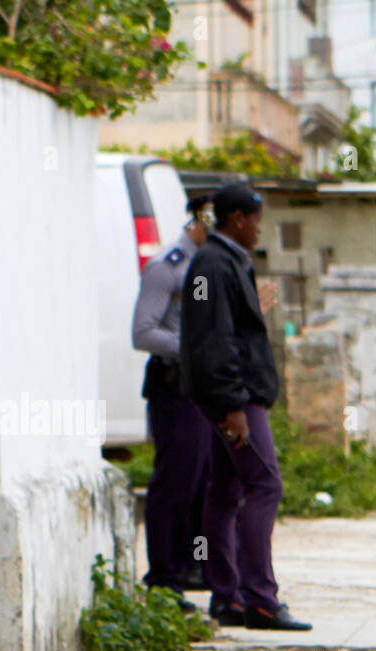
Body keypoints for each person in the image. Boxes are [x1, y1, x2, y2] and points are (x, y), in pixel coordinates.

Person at [179, 183, 309, 632]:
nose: (259, 228)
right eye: (255, 219)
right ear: (237, 219)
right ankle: (259, 598)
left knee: (224, 490)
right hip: (233, 399)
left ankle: (227, 596)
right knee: (265, 484)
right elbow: (214, 340)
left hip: (228, 396)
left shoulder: (222, 262)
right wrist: (233, 403)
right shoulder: (213, 265)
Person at [132, 196, 213, 610]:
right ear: (202, 218)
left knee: (203, 483)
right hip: (173, 386)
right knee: (175, 483)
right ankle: (163, 580)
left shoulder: (210, 264)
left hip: (204, 389)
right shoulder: (169, 264)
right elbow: (142, 333)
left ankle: (191, 567)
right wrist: (194, 348)